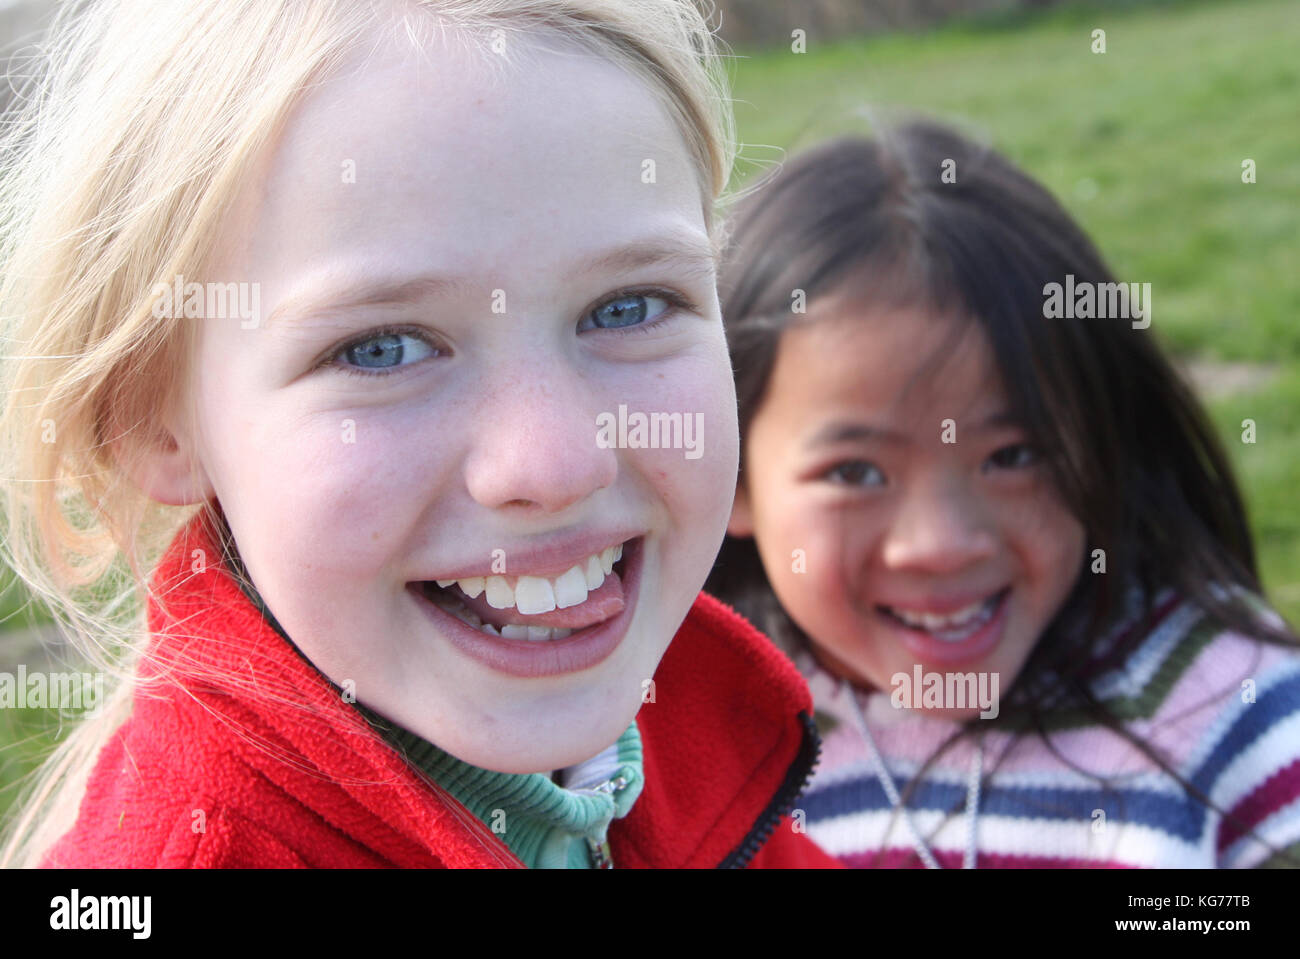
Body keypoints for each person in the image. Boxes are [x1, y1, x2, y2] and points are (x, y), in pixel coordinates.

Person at [0, 0, 837, 869]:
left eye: (627, 307)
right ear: (151, 424)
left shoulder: (699, 722)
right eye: (381, 348)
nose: (553, 464)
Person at [705, 118, 1300, 868]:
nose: (941, 542)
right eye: (855, 472)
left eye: (1014, 455)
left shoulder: (1236, 716)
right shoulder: (674, 737)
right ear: (729, 477)